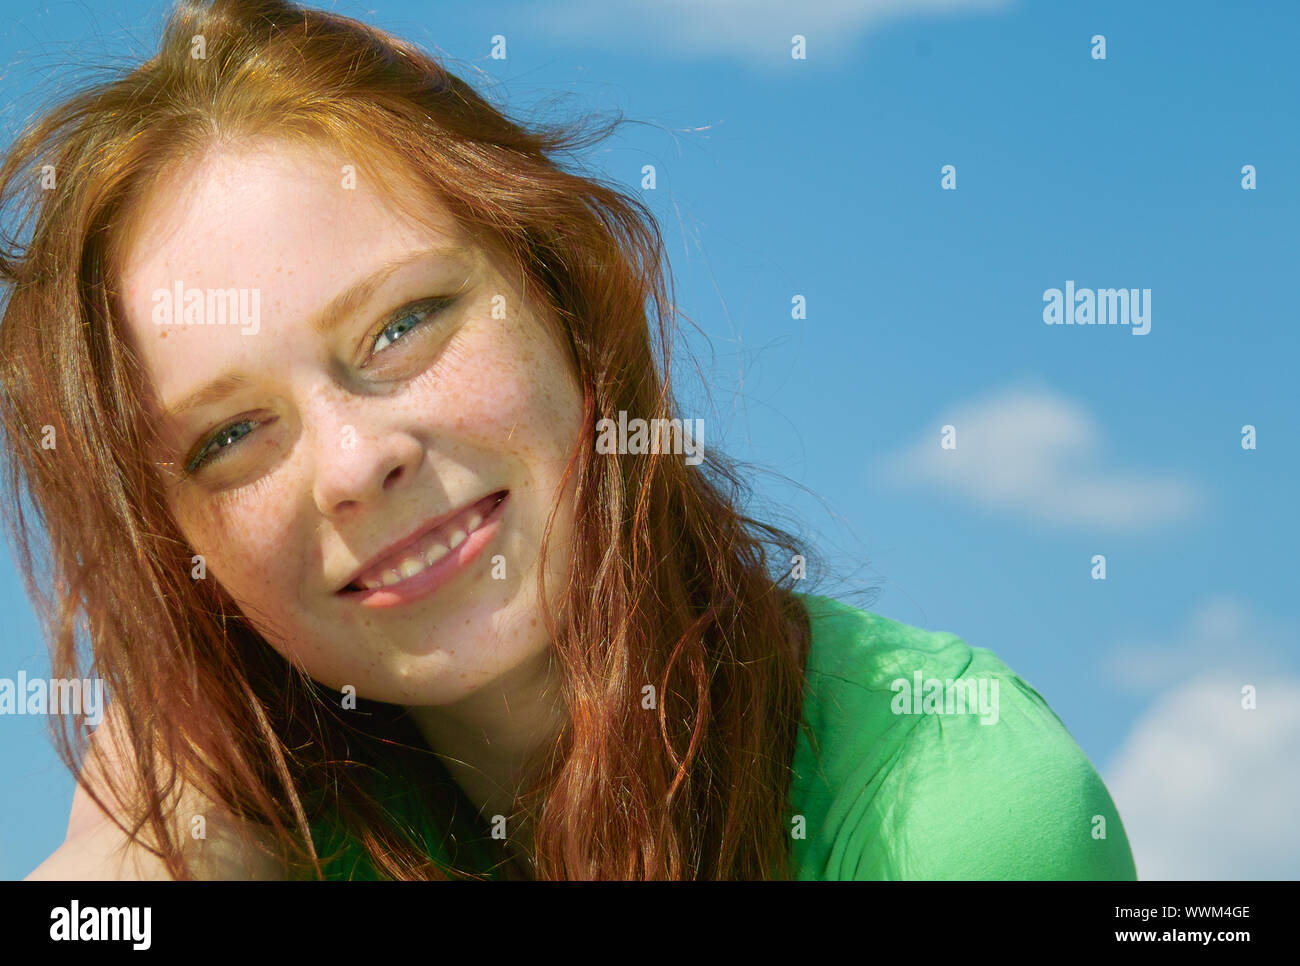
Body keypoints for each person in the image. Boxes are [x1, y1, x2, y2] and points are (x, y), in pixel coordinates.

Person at [2, 0, 1136, 880]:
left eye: (403, 324)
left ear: (562, 296)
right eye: (232, 433)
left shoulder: (951, 800)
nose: (356, 463)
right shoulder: (230, 829)